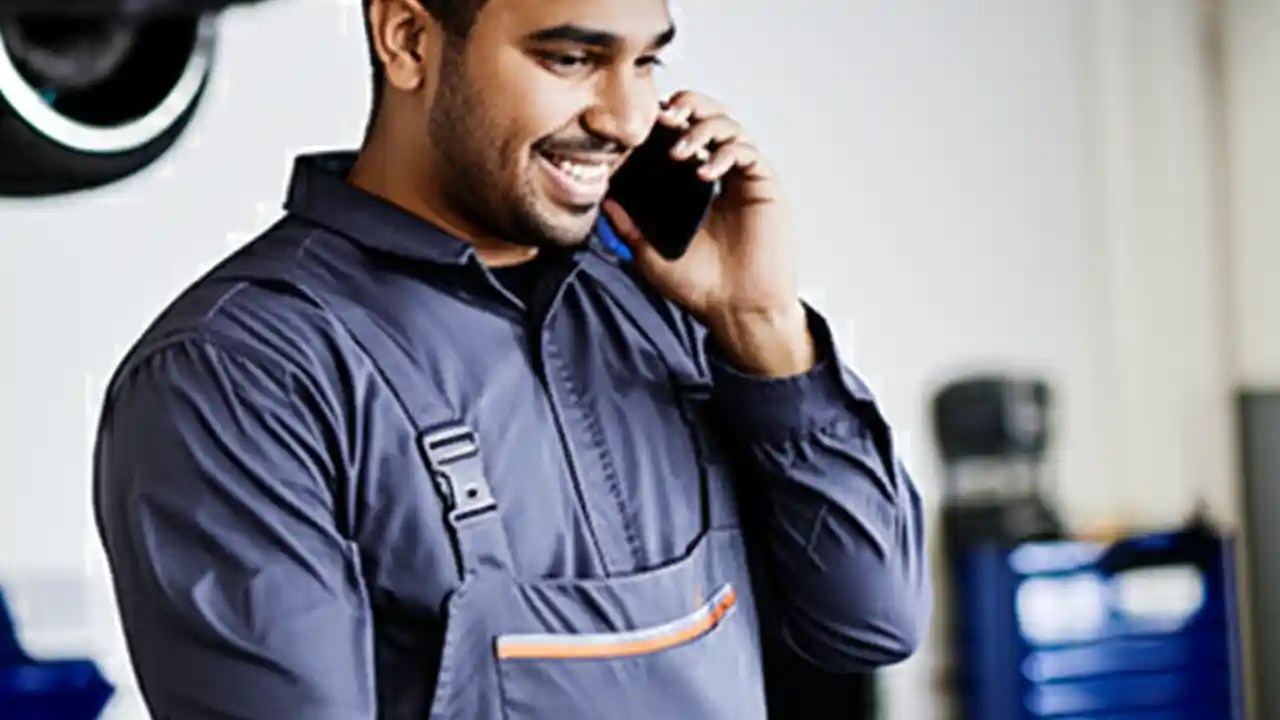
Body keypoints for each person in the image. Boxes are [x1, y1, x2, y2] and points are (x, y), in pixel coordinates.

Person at [91, 0, 931, 717]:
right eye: (571, 58)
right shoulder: (241, 373)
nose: (627, 119)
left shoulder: (664, 308)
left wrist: (763, 327)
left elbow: (870, 623)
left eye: (645, 63)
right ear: (408, 38)